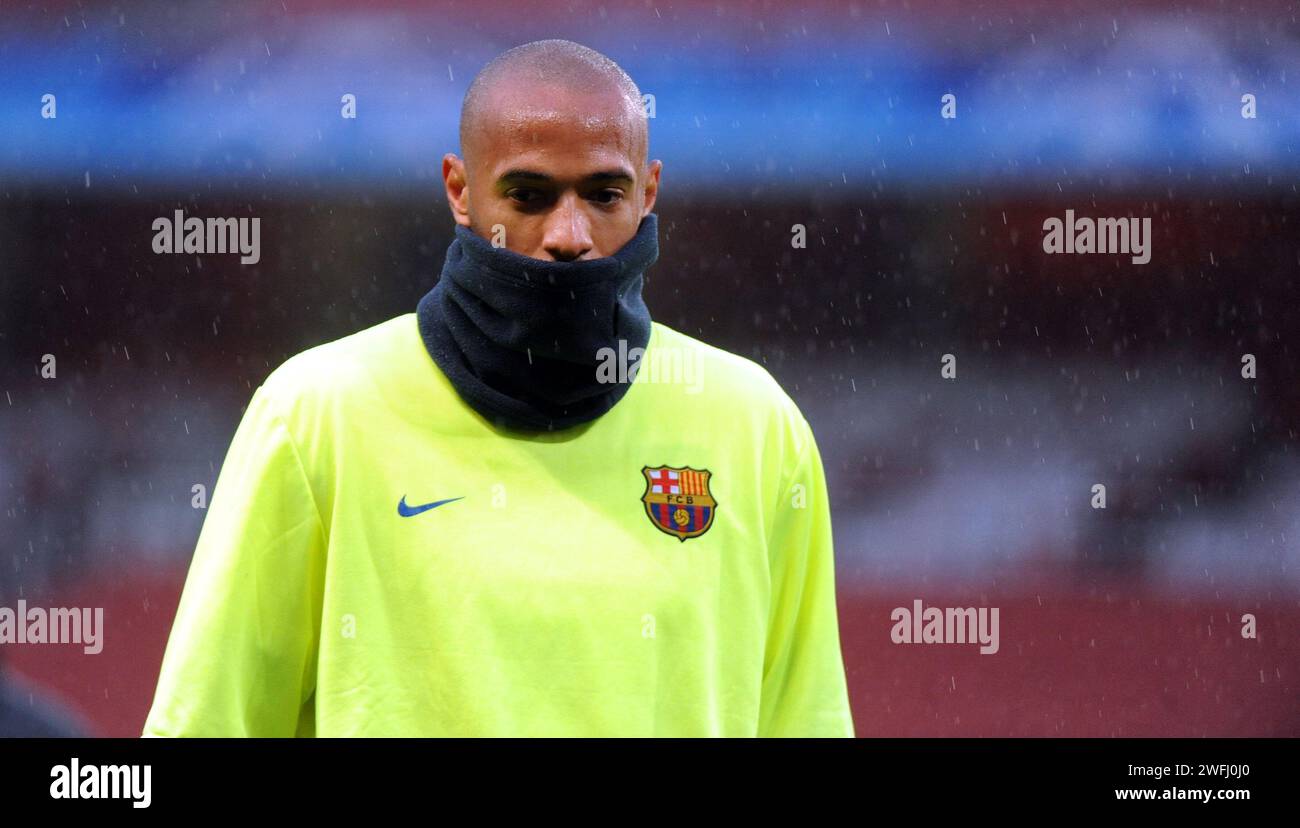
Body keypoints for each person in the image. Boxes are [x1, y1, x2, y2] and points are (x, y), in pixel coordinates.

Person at [143, 39, 853, 737]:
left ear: (649, 192)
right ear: (459, 189)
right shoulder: (315, 416)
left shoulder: (755, 426)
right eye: (529, 195)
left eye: (605, 193)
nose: (568, 234)